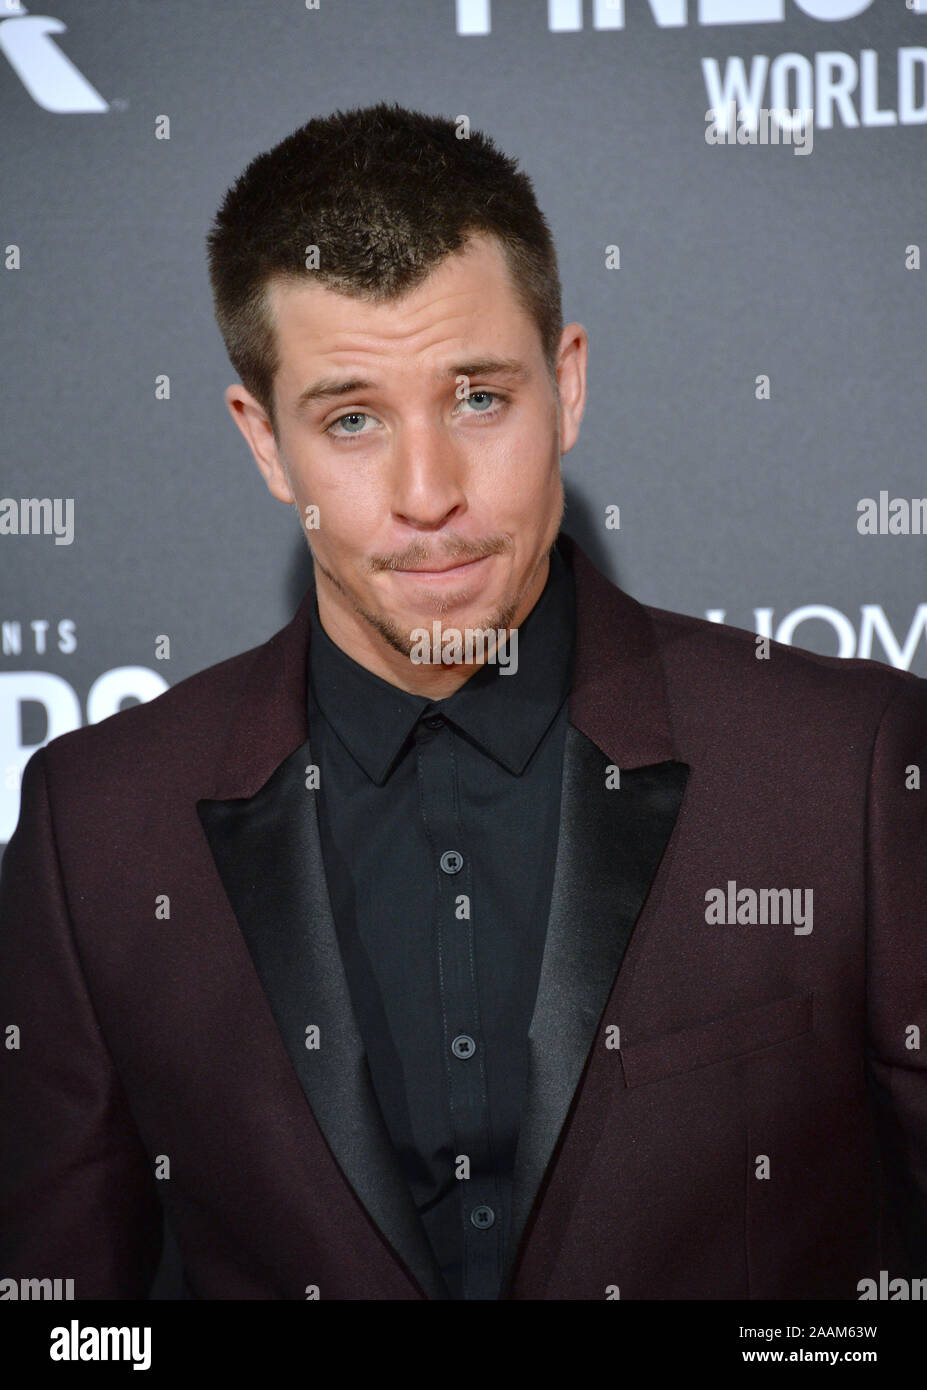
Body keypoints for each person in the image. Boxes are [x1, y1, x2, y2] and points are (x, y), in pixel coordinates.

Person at [1, 102, 924, 1301]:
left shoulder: (838, 769)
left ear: (568, 385)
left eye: (479, 397)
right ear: (265, 443)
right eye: (351, 419)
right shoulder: (98, 831)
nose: (427, 491)